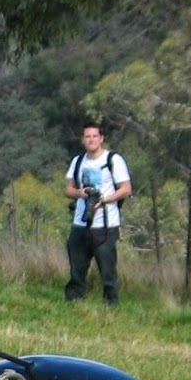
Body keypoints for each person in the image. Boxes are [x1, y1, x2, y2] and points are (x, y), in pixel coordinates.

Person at [63, 120, 132, 305]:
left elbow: (126, 189)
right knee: (77, 265)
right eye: (87, 136)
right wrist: (80, 193)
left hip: (105, 225)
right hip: (80, 222)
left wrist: (105, 200)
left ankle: (110, 304)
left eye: (95, 136)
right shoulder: (77, 161)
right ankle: (74, 301)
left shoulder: (113, 160)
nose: (91, 140)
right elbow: (68, 189)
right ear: (83, 140)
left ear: (101, 138)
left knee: (107, 268)